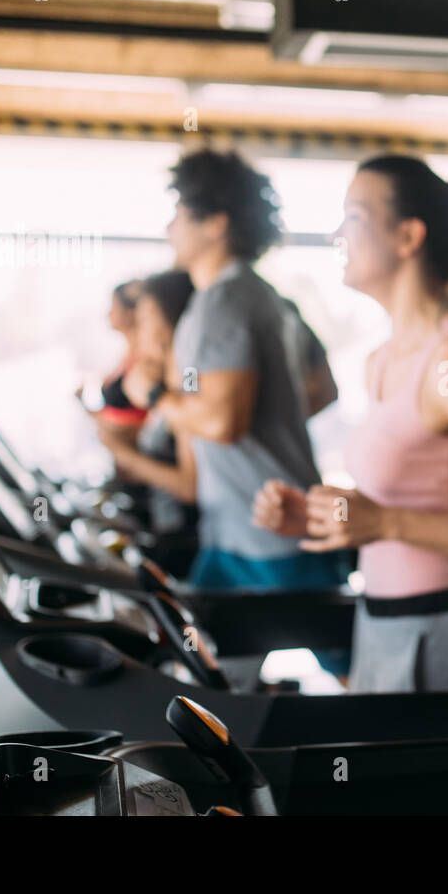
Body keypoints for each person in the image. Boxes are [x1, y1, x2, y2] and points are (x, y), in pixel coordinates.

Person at [253, 155, 448, 693]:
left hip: (444, 626)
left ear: (407, 236)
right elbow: (396, 505)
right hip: (382, 620)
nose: (335, 234)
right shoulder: (382, 361)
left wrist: (385, 523)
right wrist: (320, 520)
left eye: (353, 217)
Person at [149, 147, 351, 684]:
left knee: (358, 678)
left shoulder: (223, 301)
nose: (169, 225)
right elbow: (321, 389)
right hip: (239, 529)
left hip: (267, 533)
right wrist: (270, 425)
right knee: (206, 673)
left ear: (215, 224)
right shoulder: (266, 296)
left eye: (179, 212)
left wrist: (160, 399)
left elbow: (221, 422)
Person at [94, 269, 200, 579]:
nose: (139, 330)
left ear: (170, 322)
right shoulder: (163, 382)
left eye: (147, 318)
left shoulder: (183, 388)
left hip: (184, 535)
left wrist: (122, 452)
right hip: (164, 523)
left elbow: (189, 485)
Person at [94, 279, 149, 442]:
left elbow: (150, 422)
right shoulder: (125, 355)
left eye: (113, 307)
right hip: (116, 447)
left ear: (130, 312)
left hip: (132, 451)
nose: (108, 314)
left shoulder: (147, 357)